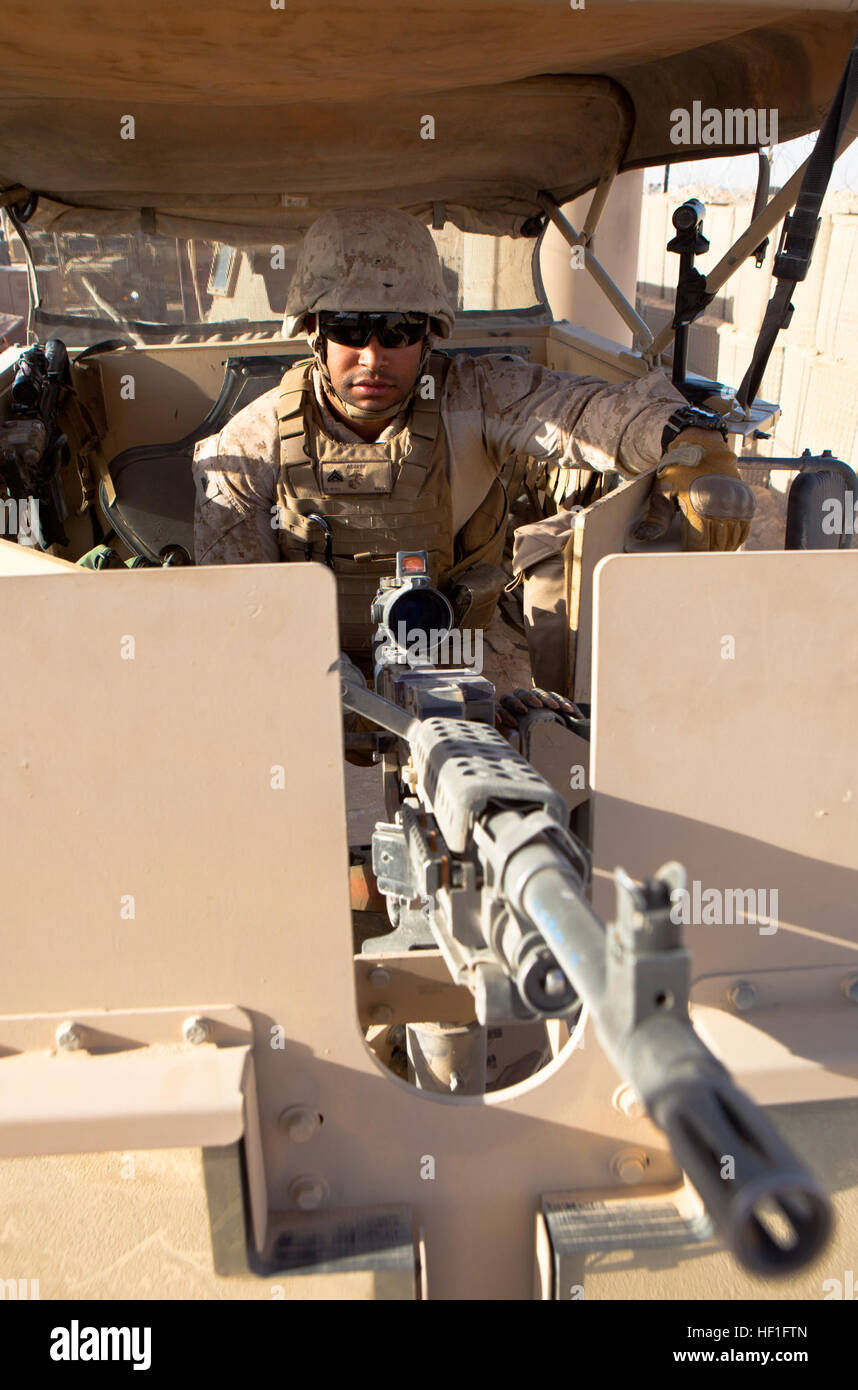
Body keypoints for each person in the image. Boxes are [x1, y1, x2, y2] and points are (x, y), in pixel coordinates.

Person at [193, 205, 752, 701]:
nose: (371, 355)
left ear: (429, 334)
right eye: (349, 328)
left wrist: (688, 438)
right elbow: (239, 612)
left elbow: (583, 412)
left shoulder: (474, 394)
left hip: (460, 660)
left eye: (397, 329)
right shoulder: (252, 441)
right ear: (314, 331)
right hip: (309, 680)